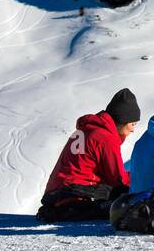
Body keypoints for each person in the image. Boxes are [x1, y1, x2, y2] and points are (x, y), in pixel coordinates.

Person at [38, 88, 139, 222]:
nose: (133, 129)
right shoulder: (105, 138)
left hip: (55, 193)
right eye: (132, 124)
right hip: (73, 195)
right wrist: (141, 179)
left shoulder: (87, 130)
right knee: (123, 198)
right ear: (122, 120)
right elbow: (117, 179)